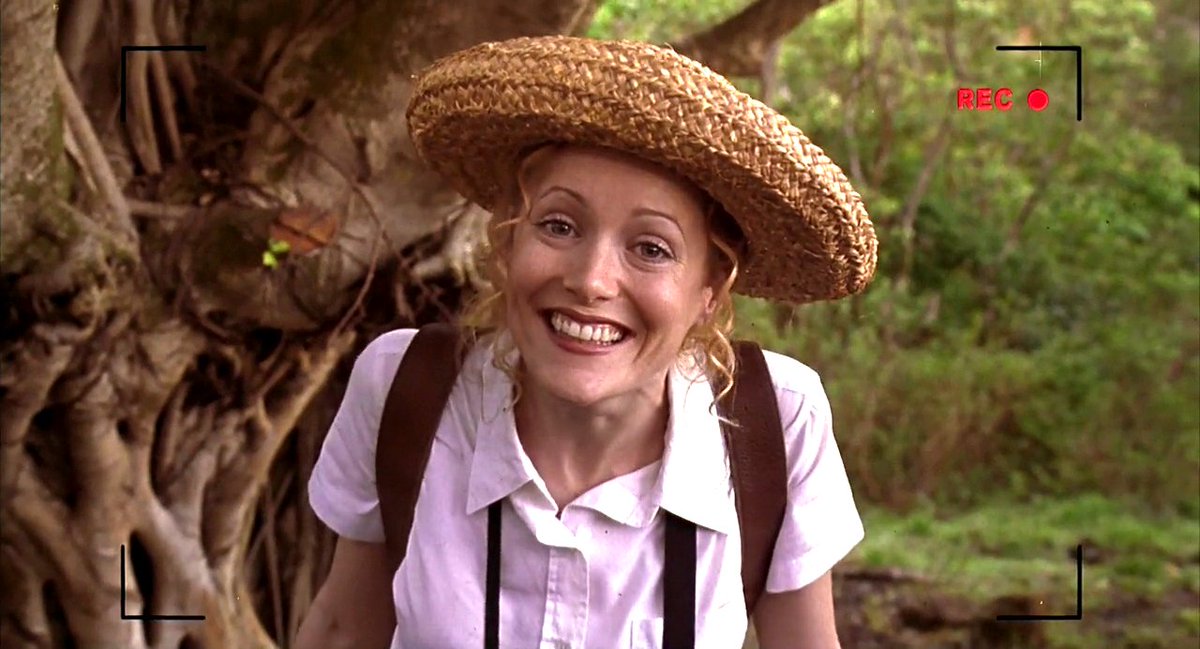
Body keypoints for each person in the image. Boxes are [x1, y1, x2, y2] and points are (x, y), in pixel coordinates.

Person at [295, 36, 877, 649]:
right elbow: (344, 628)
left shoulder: (775, 422)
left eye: (651, 248)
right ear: (508, 243)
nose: (592, 281)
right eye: (559, 225)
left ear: (709, 288)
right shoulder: (405, 389)